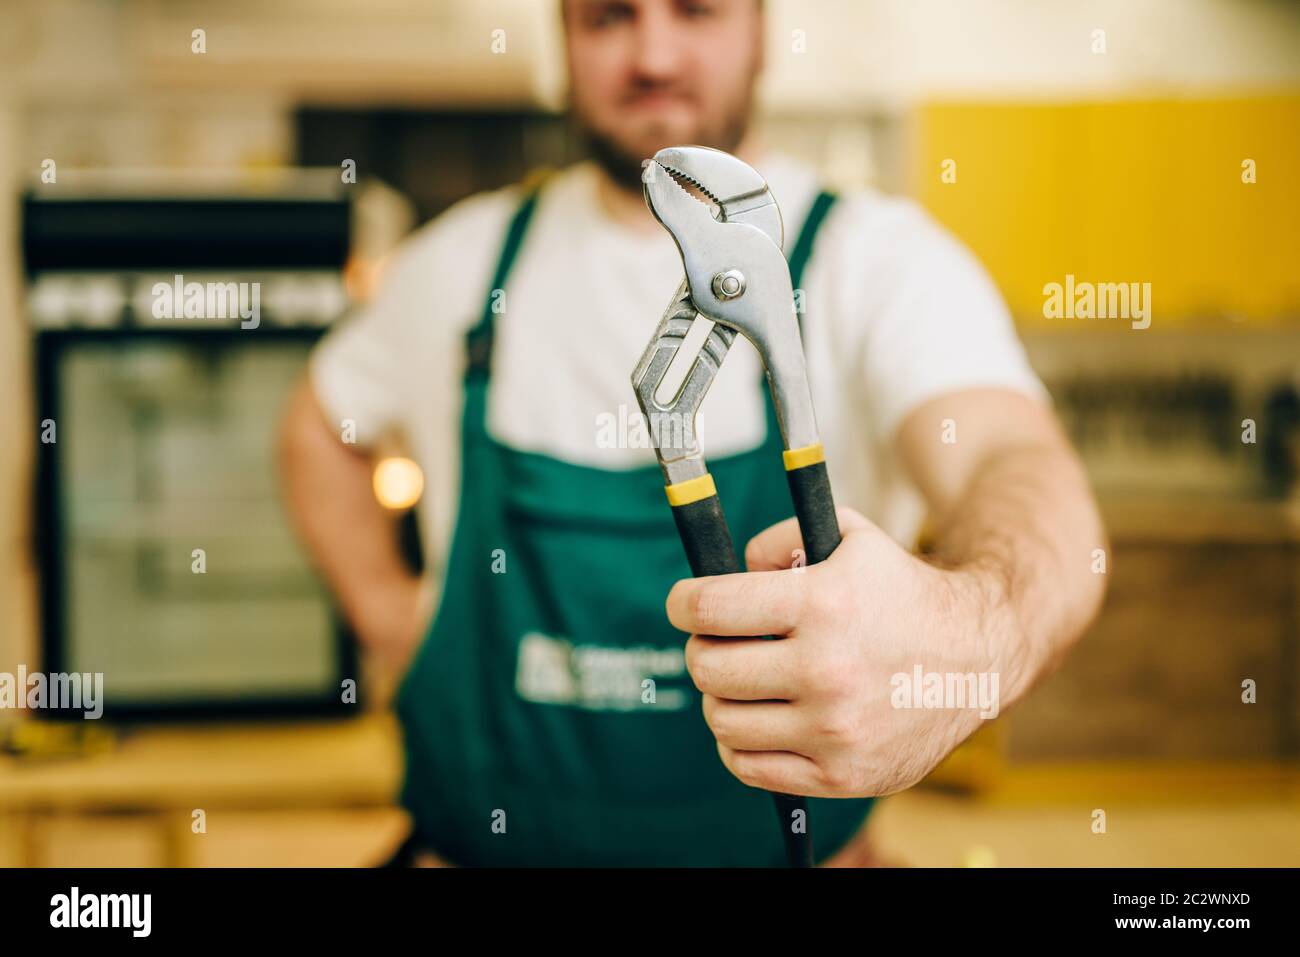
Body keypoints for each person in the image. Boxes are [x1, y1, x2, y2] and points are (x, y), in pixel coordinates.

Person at [278, 0, 1106, 867]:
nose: (654, 56)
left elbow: (1011, 460)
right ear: (561, 38)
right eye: (609, 18)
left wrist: (968, 635)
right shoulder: (456, 267)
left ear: (759, 27)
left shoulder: (881, 263)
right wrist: (396, 624)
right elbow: (316, 427)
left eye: (696, 10)